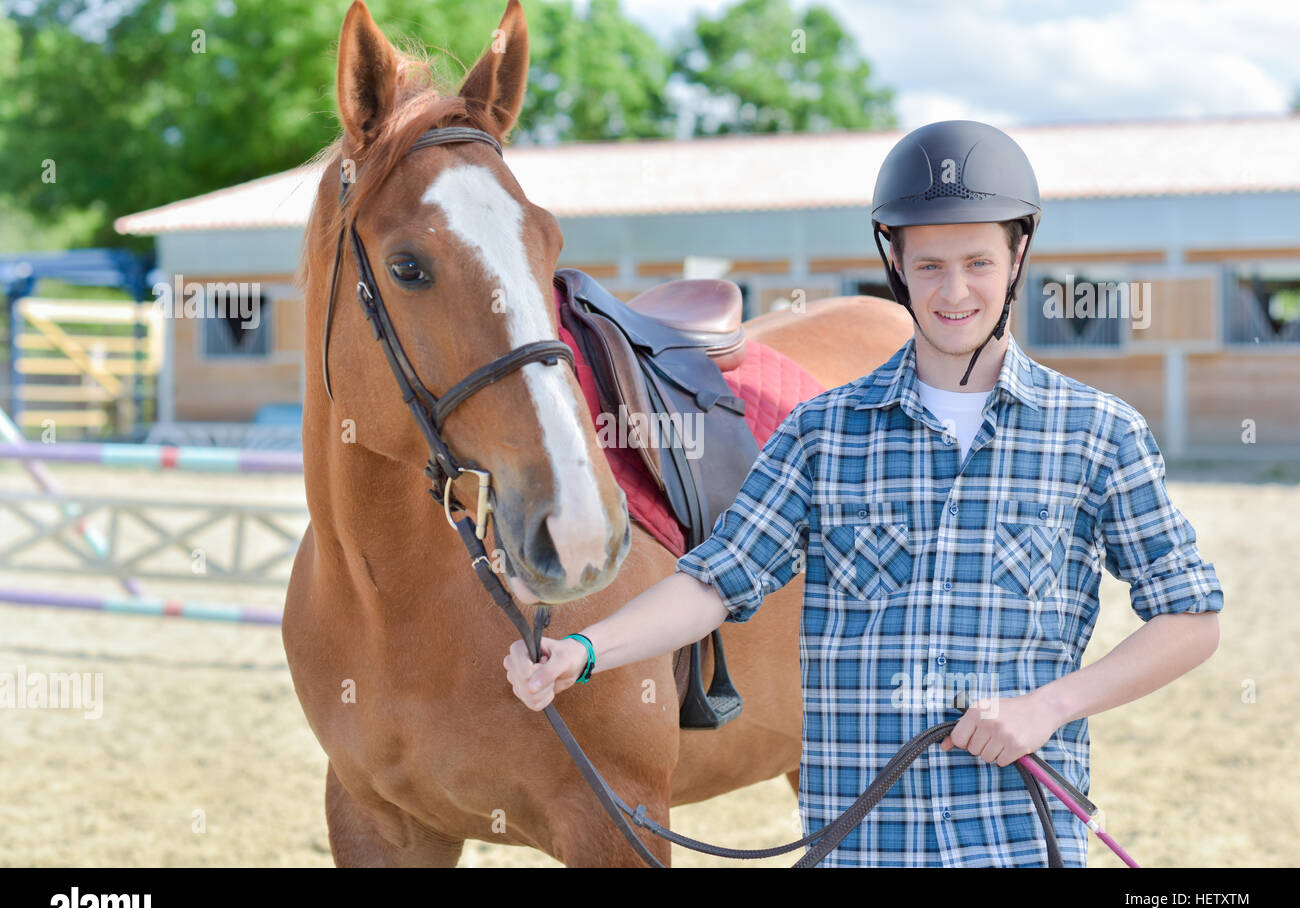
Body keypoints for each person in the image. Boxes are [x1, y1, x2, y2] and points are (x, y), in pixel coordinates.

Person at [503, 120, 1224, 867]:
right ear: (896, 263)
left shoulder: (1101, 434)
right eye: (931, 264)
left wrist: (1051, 705)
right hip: (861, 847)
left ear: (1017, 257)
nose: (955, 291)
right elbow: (715, 584)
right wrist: (584, 651)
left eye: (979, 261)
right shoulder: (821, 433)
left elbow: (1191, 618)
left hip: (1019, 842)